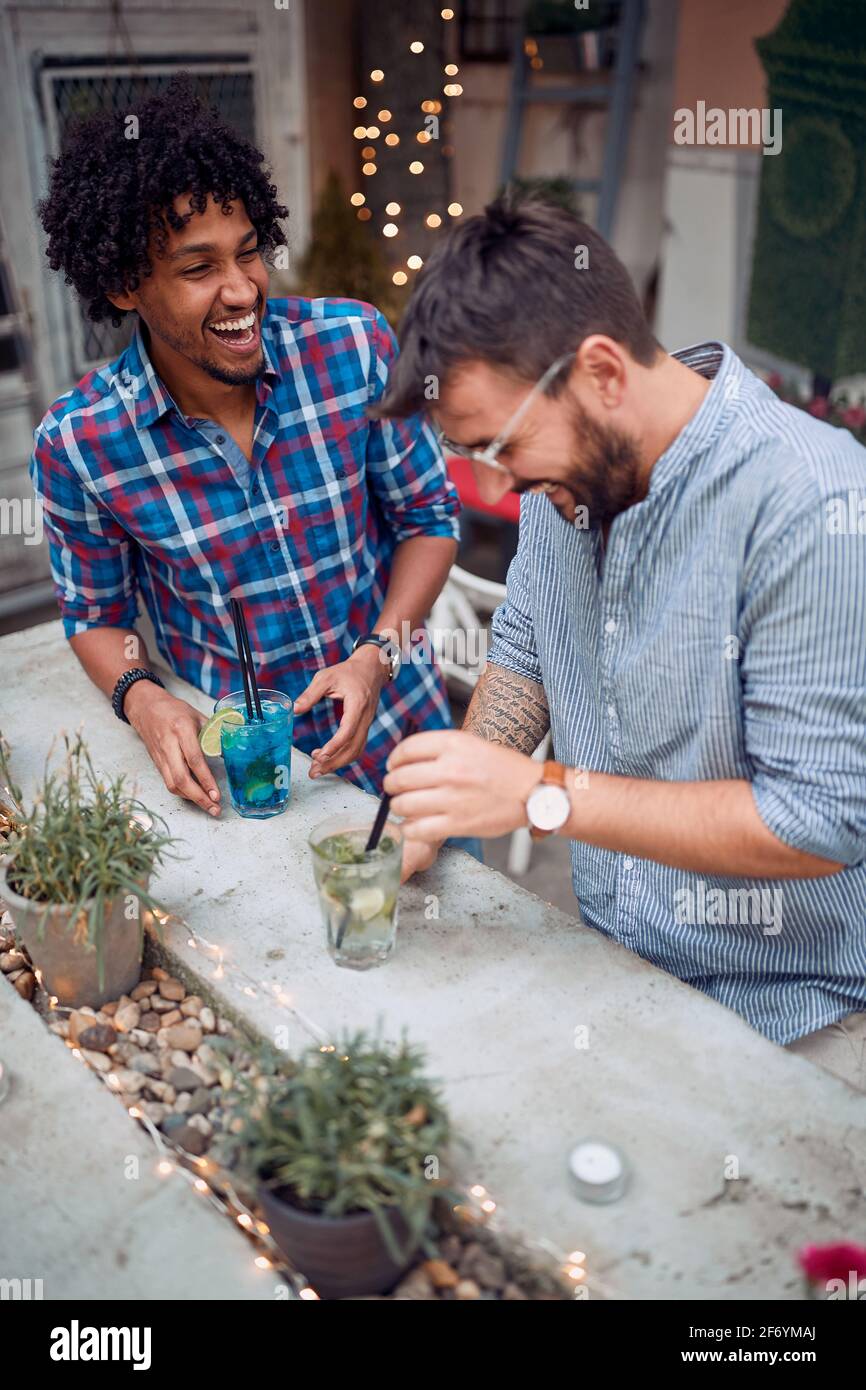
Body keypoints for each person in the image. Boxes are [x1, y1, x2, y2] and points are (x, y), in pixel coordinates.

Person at [378, 195, 866, 1087]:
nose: (497, 482)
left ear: (602, 372)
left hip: (796, 1017)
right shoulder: (566, 477)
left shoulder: (811, 502)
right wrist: (451, 798)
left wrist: (540, 795)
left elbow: (816, 822)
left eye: (503, 446)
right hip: (611, 965)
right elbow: (526, 645)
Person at [30, 74, 459, 849]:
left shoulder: (354, 345)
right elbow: (96, 616)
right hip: (249, 787)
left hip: (409, 744)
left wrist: (377, 652)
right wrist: (141, 697)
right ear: (127, 285)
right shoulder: (81, 443)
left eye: (249, 252)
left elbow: (429, 518)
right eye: (199, 269)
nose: (241, 290)